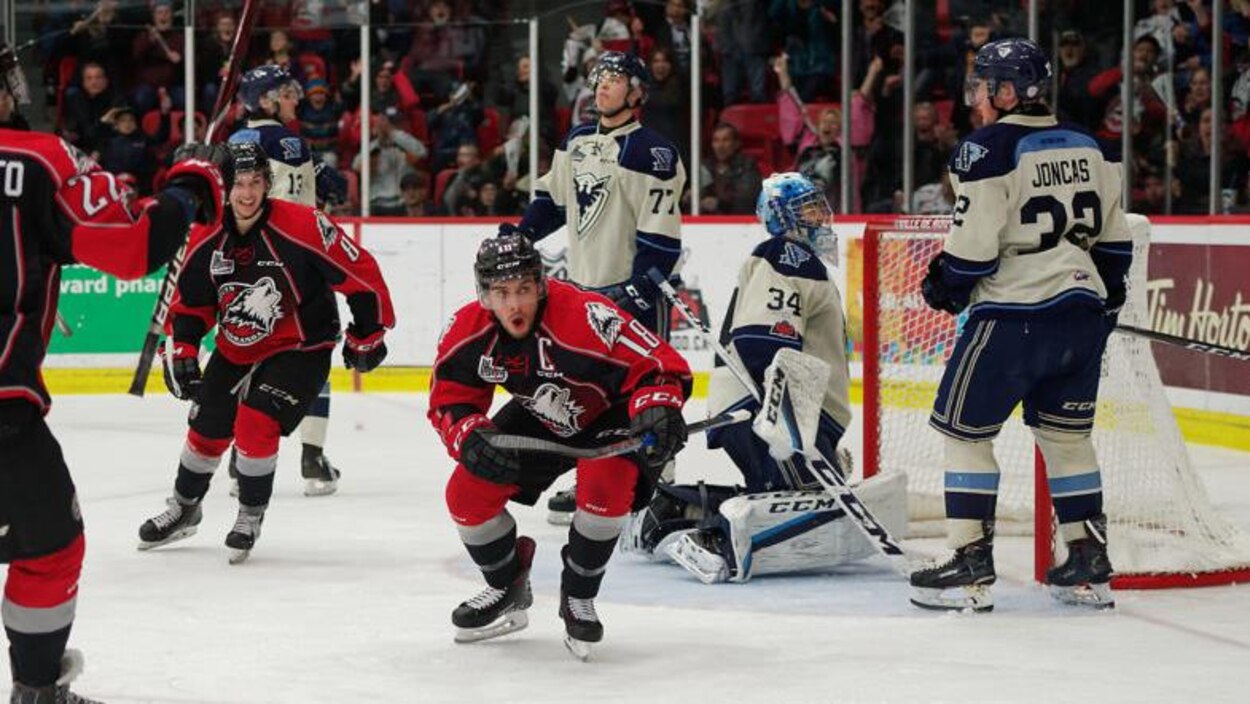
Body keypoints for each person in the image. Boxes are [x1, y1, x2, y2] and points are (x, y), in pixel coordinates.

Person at [0, 42, 227, 702]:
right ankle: (37, 688)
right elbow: (135, 245)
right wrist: (188, 187)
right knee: (50, 546)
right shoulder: (33, 158)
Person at [910, 39, 1132, 612]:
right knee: (1067, 439)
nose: (977, 97)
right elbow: (1114, 250)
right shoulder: (1095, 146)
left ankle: (968, 563)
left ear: (1007, 92)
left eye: (983, 85)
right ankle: (1088, 561)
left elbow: (973, 255)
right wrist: (1099, 309)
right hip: (1081, 316)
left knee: (964, 434)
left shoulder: (986, 150)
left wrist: (944, 284)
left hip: (1012, 317)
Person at [622, 173, 905, 583]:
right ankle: (711, 540)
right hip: (767, 409)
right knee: (805, 503)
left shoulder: (791, 257)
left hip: (773, 405)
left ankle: (672, 509)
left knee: (779, 496)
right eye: (809, 207)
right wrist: (781, 415)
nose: (821, 215)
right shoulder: (786, 255)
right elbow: (761, 340)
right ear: (783, 216)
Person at [429, 234, 691, 658]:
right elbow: (451, 399)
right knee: (465, 494)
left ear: (541, 285)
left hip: (613, 413)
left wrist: (657, 406)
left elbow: (659, 365)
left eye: (524, 290)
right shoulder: (467, 331)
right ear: (485, 294)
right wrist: (468, 434)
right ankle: (507, 586)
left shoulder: (586, 316)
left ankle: (579, 595)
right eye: (502, 292)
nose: (514, 304)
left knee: (604, 489)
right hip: (543, 411)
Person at [136, 142, 394, 564]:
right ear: (223, 187)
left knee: (257, 422)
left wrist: (368, 332)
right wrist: (181, 344)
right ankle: (184, 509)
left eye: (256, 182)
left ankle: (249, 515)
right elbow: (192, 302)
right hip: (237, 345)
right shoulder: (206, 232)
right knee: (206, 428)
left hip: (302, 344)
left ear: (267, 184)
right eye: (238, 184)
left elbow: (359, 272)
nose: (247, 193)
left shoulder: (303, 224)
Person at [505, 50, 687, 525]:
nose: (602, 85)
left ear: (637, 92)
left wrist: (640, 289)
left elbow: (660, 237)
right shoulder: (578, 140)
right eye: (599, 77)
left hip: (630, 291)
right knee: (586, 392)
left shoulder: (655, 152)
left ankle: (654, 481)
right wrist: (522, 234)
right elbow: (553, 200)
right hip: (583, 293)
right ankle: (593, 472)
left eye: (615, 78)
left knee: (641, 389)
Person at [230, 64, 343, 496]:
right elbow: (301, 203)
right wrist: (327, 175)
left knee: (247, 360)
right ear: (266, 101)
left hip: (243, 270)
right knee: (313, 356)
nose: (296, 98)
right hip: (294, 268)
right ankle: (312, 460)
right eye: (287, 91)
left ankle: (242, 462)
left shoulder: (235, 141)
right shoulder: (288, 140)